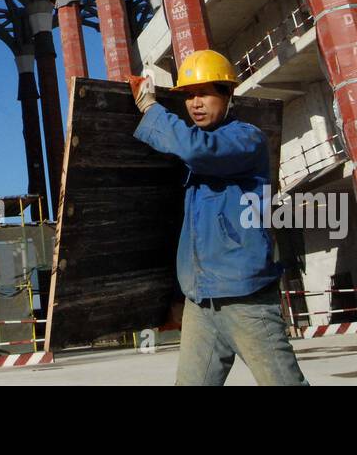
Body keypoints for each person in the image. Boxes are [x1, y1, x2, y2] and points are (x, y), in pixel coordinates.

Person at [132, 49, 308, 387]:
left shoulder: (246, 139)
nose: (195, 103)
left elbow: (197, 149)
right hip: (202, 300)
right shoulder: (195, 147)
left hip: (245, 298)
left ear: (228, 94)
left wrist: (152, 109)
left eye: (204, 93)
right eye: (188, 95)